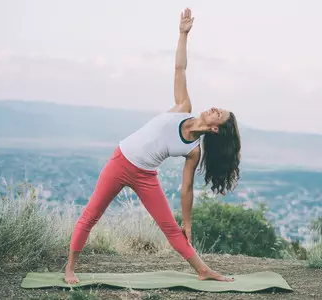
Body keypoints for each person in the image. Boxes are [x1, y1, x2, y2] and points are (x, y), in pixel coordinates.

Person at [64, 7, 241, 284]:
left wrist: (188, 222)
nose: (215, 108)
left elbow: (187, 189)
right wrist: (183, 35)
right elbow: (180, 68)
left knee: (171, 228)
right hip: (121, 160)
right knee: (91, 214)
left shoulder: (193, 150)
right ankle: (70, 268)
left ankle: (203, 270)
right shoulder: (183, 107)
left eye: (219, 114)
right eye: (219, 108)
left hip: (146, 175)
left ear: (216, 128)